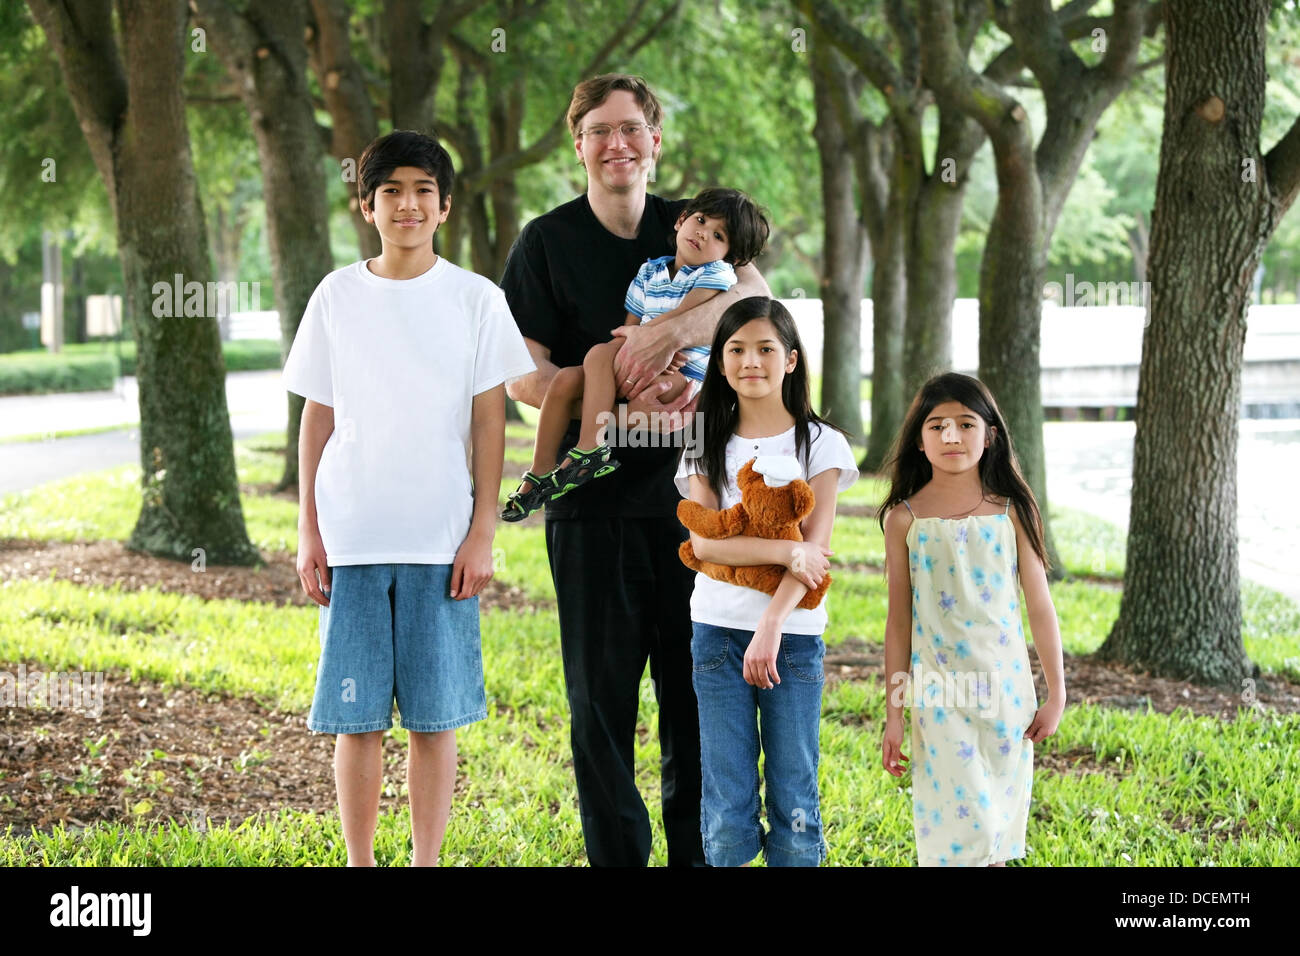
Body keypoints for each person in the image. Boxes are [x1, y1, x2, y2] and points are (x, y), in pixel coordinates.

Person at [500, 73, 771, 867]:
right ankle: (618, 858)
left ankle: (694, 857)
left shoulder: (698, 227)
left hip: (699, 503)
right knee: (599, 704)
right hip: (592, 512)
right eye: (598, 131)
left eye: (631, 129)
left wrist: (666, 336)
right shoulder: (545, 241)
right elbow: (521, 372)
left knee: (694, 700)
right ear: (577, 145)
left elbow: (758, 307)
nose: (616, 144)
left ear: (656, 140)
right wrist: (614, 384)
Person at [283, 130, 534, 866]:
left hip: (440, 539)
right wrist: (309, 529)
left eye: (423, 190)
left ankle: (426, 862)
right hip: (354, 536)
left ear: (445, 205)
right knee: (356, 722)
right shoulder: (337, 294)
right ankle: (360, 863)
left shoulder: (476, 299)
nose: (408, 204)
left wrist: (483, 528)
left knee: (435, 718)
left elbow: (491, 421)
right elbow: (317, 415)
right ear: (366, 204)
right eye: (390, 190)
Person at [674, 297, 858, 866]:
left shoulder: (821, 443)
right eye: (735, 350)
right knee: (726, 802)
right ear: (720, 362)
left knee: (794, 791)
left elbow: (818, 553)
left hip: (793, 637)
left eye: (765, 349)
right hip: (717, 633)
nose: (750, 361)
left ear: (792, 360)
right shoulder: (703, 441)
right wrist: (786, 549)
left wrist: (773, 623)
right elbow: (703, 543)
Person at [876, 372, 1067, 867]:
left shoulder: (1013, 512)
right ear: (919, 439)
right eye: (937, 426)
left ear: (991, 434)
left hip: (1005, 694)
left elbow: (1040, 607)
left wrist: (1057, 693)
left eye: (966, 423)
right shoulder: (904, 519)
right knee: (958, 832)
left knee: (996, 830)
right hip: (940, 697)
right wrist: (894, 712)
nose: (952, 437)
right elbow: (899, 622)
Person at [501, 186, 769, 521]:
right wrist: (622, 349)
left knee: (600, 358)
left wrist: (649, 340)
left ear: (730, 254)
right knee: (571, 375)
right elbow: (629, 325)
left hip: (682, 375)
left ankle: (589, 448)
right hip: (642, 361)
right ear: (681, 221)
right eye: (699, 220)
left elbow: (681, 319)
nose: (703, 232)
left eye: (718, 235)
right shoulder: (650, 272)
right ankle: (540, 473)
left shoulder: (715, 274)